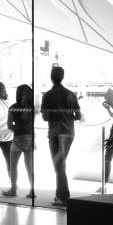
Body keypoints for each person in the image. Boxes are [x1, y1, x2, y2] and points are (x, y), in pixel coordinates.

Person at [40, 66, 81, 206]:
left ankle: (62, 197)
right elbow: (78, 115)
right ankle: (63, 195)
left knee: (59, 166)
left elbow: (45, 117)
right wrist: (67, 117)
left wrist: (55, 115)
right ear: (62, 77)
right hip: (69, 132)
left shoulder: (47, 95)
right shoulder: (71, 94)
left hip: (56, 133)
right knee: (61, 165)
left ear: (51, 77)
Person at [3, 85, 35, 198]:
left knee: (13, 165)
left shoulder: (13, 107)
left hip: (18, 139)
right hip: (30, 138)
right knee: (29, 166)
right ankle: (32, 190)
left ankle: (13, 189)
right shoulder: (32, 108)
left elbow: (9, 125)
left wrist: (17, 128)